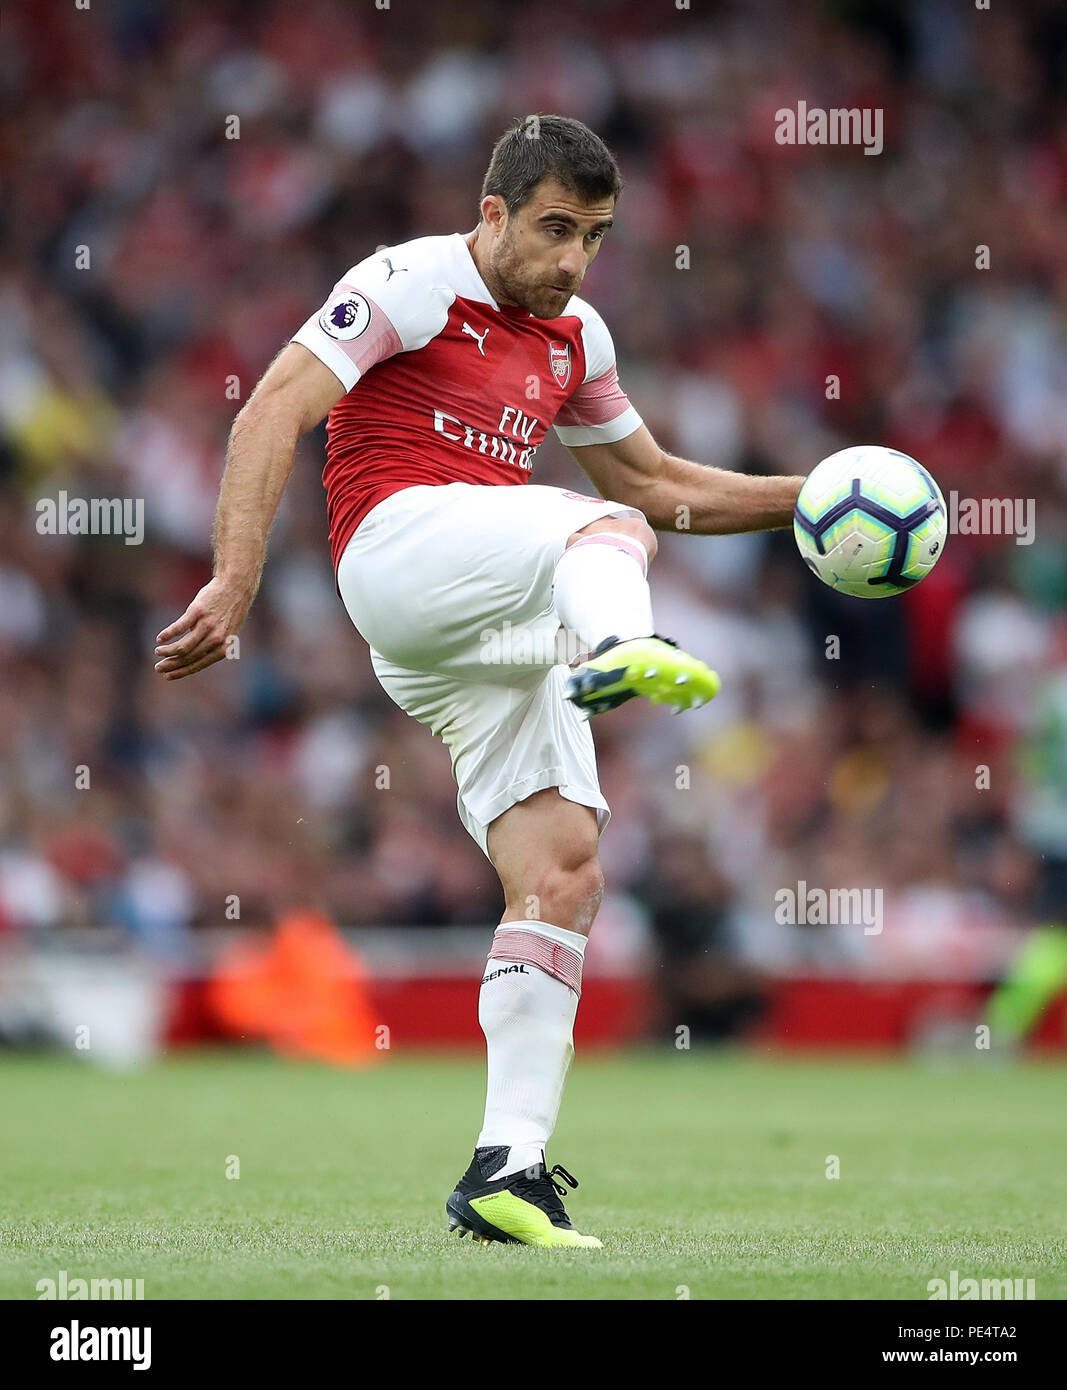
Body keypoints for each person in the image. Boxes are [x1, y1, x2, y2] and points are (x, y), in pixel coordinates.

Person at [154, 113, 804, 1248]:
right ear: (493, 212)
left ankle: (506, 1167)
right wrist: (235, 577)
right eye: (554, 228)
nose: (571, 260)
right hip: (395, 551)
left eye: (593, 237)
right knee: (591, 533)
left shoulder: (576, 335)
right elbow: (273, 406)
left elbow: (656, 484)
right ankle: (615, 648)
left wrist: (815, 495)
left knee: (562, 872)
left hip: (482, 623)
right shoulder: (409, 279)